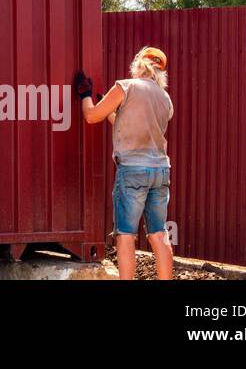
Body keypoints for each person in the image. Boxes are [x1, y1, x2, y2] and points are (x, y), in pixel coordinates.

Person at [74, 46, 174, 280]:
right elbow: (132, 125)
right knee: (159, 235)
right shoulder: (164, 98)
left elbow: (91, 116)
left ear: (138, 64)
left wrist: (85, 95)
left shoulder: (125, 86)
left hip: (133, 172)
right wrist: (112, 112)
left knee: (126, 235)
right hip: (160, 171)